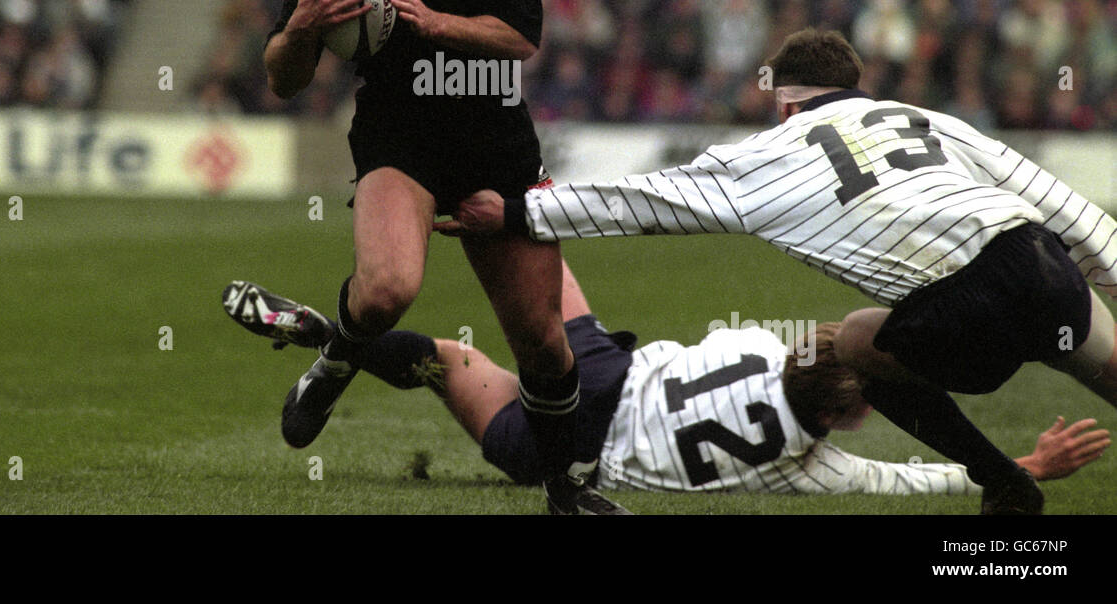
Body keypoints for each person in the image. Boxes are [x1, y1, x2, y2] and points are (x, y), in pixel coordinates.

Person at [436, 28, 1117, 514]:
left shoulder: (773, 151)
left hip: (961, 310)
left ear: (786, 103)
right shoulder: (927, 119)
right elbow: (1059, 204)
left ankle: (999, 480)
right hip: (1040, 261)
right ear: (853, 86)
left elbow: (646, 201)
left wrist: (518, 215)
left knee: (856, 342)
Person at [261, 0, 621, 513]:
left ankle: (564, 493)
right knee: (388, 288)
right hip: (401, 136)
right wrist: (302, 25)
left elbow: (523, 37)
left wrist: (432, 20)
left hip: (495, 141)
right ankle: (334, 362)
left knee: (542, 343)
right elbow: (282, 77)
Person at [222, 276, 1109, 499]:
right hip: (567, 450)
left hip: (605, 366)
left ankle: (341, 337)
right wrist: (1018, 467)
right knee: (446, 371)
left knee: (529, 238)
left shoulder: (769, 342)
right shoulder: (810, 468)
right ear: (844, 414)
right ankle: (336, 340)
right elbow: (918, 479)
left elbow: (837, 339)